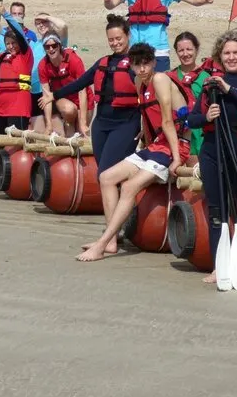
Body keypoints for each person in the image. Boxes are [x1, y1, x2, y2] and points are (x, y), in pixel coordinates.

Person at [76, 43, 189, 261]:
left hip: (175, 145)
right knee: (106, 177)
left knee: (129, 187)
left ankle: (101, 244)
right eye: (137, 66)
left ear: (154, 62)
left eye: (146, 64)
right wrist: (146, 144)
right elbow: (146, 117)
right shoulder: (139, 82)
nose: (142, 70)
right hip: (156, 146)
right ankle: (111, 241)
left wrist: (176, 159)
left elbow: (167, 120)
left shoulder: (160, 79)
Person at [185, 31, 237, 282]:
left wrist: (229, 89)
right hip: (213, 152)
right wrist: (206, 117)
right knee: (217, 211)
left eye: (236, 53)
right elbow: (191, 119)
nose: (231, 57)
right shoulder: (210, 86)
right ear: (219, 57)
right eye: (226, 53)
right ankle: (218, 267)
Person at [51, 15, 141, 178]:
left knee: (105, 173)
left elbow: (149, 96)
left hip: (126, 125)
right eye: (111, 40)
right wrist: (54, 95)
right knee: (104, 173)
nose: (115, 43)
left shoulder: (137, 64)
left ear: (128, 36)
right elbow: (80, 83)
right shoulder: (103, 62)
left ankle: (125, 202)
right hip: (101, 125)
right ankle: (120, 203)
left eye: (119, 38)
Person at [0, 7, 33, 139]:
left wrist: (5, 14)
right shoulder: (2, 56)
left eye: (14, 43)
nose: (11, 46)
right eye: (8, 44)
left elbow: (19, 33)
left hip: (19, 103)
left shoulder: (25, 55)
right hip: (2, 104)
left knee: (17, 139)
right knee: (2, 139)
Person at [169, 31, 211, 158]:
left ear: (197, 50)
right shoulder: (169, 77)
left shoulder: (206, 78)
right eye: (181, 50)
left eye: (189, 49)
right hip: (177, 132)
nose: (185, 54)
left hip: (199, 133)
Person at [37, 33, 88, 136]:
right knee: (69, 114)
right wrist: (48, 125)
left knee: (83, 133)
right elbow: (46, 96)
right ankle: (67, 124)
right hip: (64, 100)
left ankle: (77, 125)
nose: (51, 49)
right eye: (47, 47)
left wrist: (83, 122)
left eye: (54, 45)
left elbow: (83, 91)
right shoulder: (42, 65)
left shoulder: (74, 60)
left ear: (60, 45)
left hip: (82, 98)